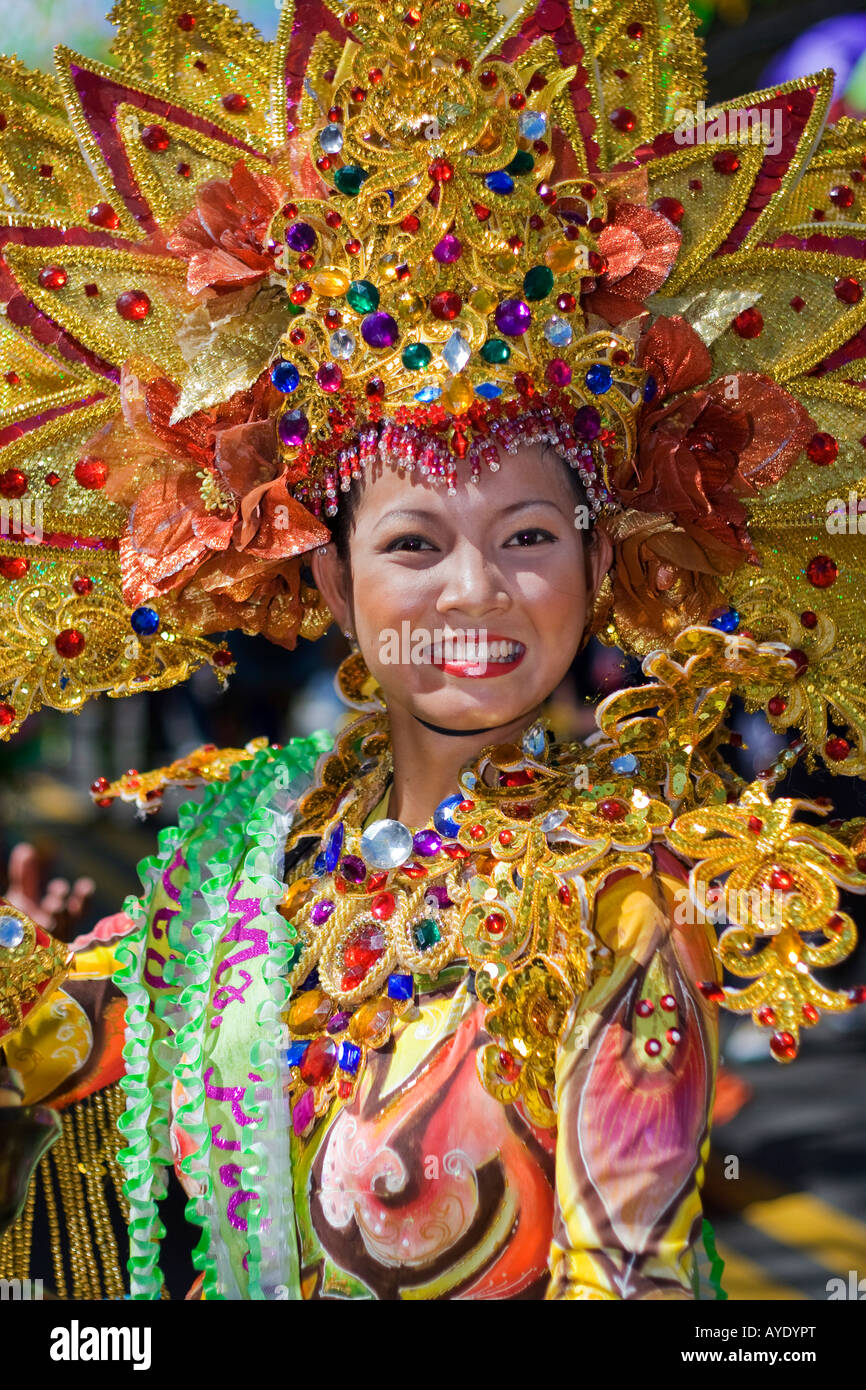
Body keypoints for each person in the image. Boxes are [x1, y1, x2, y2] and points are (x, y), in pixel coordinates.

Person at [0, 0, 864, 1300]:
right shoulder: (246, 859)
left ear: (597, 563)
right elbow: (108, 1068)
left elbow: (625, 1282)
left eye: (523, 532)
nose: (477, 589)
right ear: (329, 584)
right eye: (410, 542)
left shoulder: (615, 907)